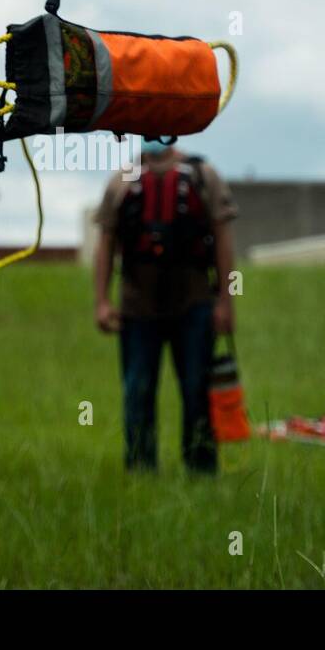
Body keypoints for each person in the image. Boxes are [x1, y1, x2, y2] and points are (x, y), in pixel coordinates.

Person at [93, 138, 238, 474]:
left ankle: (201, 470)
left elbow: (224, 244)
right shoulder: (122, 181)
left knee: (197, 393)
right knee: (137, 392)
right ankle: (140, 470)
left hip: (195, 304)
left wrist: (226, 304)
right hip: (137, 309)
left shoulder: (204, 176)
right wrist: (102, 301)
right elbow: (105, 244)